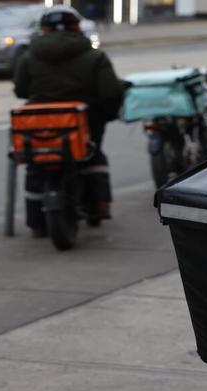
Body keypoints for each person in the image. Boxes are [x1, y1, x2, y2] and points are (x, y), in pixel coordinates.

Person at [13, 5, 124, 234]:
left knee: (36, 166)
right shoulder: (95, 56)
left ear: (44, 29)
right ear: (76, 27)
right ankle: (98, 206)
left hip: (39, 122)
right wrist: (107, 115)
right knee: (92, 156)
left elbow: (21, 90)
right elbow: (110, 92)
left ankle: (36, 222)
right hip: (84, 119)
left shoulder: (30, 55)